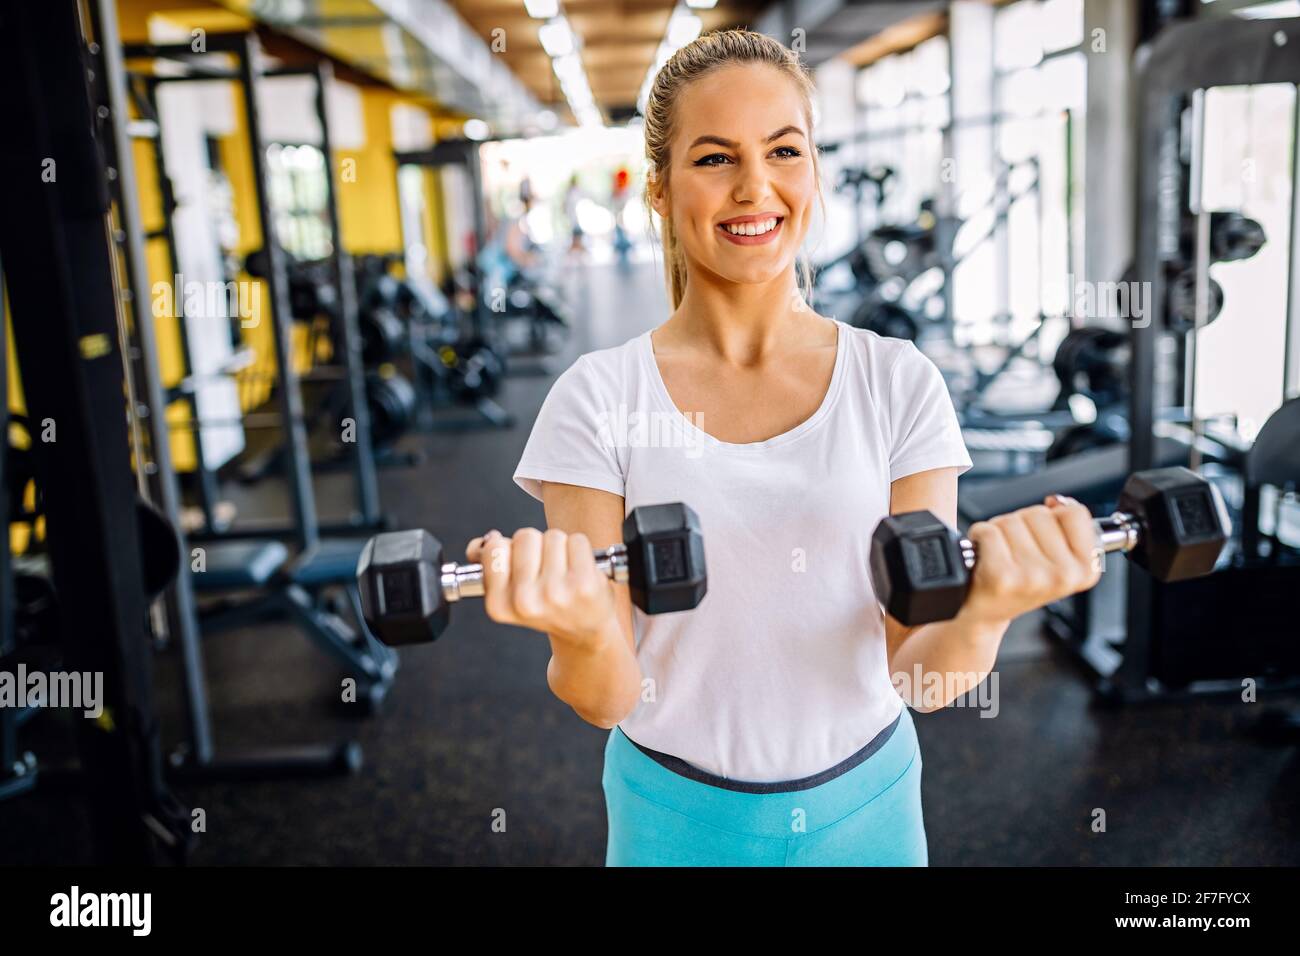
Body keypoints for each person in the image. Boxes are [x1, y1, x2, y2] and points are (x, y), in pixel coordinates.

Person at [470, 29, 1102, 866]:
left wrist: (986, 611)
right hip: (674, 815)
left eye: (783, 150)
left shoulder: (898, 383)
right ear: (658, 188)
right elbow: (606, 696)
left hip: (868, 807)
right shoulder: (598, 399)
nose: (755, 187)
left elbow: (919, 677)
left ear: (814, 171)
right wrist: (585, 630)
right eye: (714, 158)